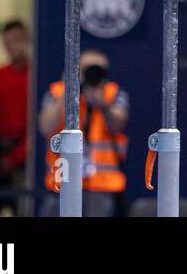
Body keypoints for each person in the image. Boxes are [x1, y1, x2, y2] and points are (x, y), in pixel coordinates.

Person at [38, 49, 129, 217]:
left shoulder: (112, 93)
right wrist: (68, 88)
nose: (92, 74)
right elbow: (46, 127)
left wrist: (102, 104)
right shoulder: (57, 91)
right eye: (87, 69)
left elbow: (118, 124)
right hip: (62, 181)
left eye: (98, 70)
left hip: (101, 185)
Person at [0, 20, 31, 216]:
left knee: (25, 209)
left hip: (24, 158)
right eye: (8, 41)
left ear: (27, 40)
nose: (13, 46)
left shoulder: (35, 75)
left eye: (17, 40)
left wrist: (15, 158)